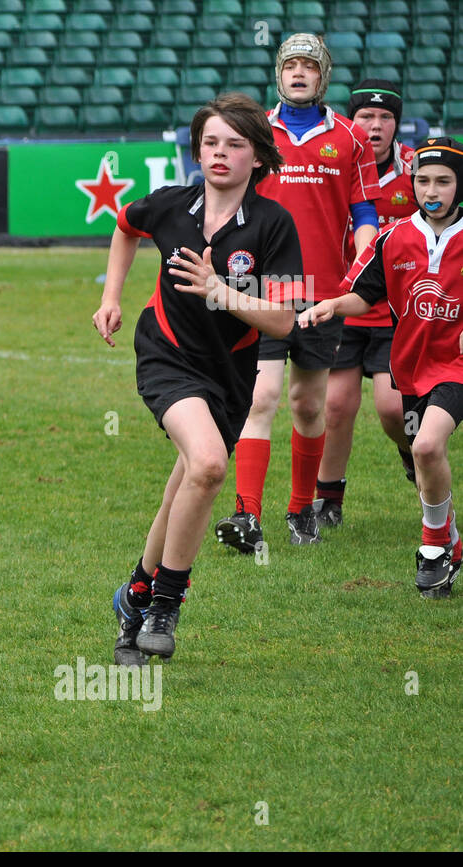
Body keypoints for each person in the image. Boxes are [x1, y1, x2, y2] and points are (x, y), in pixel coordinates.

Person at [92, 93, 301, 665]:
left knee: (186, 481)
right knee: (209, 465)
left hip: (230, 372)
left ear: (257, 156)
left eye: (235, 144)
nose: (220, 153)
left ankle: (134, 595)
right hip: (165, 354)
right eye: (211, 142)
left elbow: (283, 318)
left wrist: (220, 291)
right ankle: (165, 604)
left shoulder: (273, 224)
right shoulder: (169, 206)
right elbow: (125, 225)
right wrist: (111, 297)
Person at [215, 34, 382, 551]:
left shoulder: (351, 138)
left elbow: (365, 214)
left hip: (323, 292)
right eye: (291, 65)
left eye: (310, 65)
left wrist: (363, 256)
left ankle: (300, 510)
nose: (299, 73)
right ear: (278, 73)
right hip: (263, 287)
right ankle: (247, 515)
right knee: (260, 396)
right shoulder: (256, 133)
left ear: (323, 75)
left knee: (309, 406)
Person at [301, 137, 463, 598]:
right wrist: (332, 305)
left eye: (444, 181)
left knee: (428, 446)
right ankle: (449, 537)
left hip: (456, 366)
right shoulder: (394, 239)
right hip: (411, 369)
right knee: (423, 452)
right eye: (424, 180)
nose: (432, 189)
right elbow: (365, 294)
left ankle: (433, 548)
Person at [314, 80, 418, 527]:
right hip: (345, 303)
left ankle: (416, 455)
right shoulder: (333, 165)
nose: (375, 126)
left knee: (394, 410)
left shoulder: (416, 170)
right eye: (365, 117)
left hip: (397, 312)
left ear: (396, 124)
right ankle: (328, 501)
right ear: (349, 120)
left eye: (386, 118)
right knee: (336, 407)